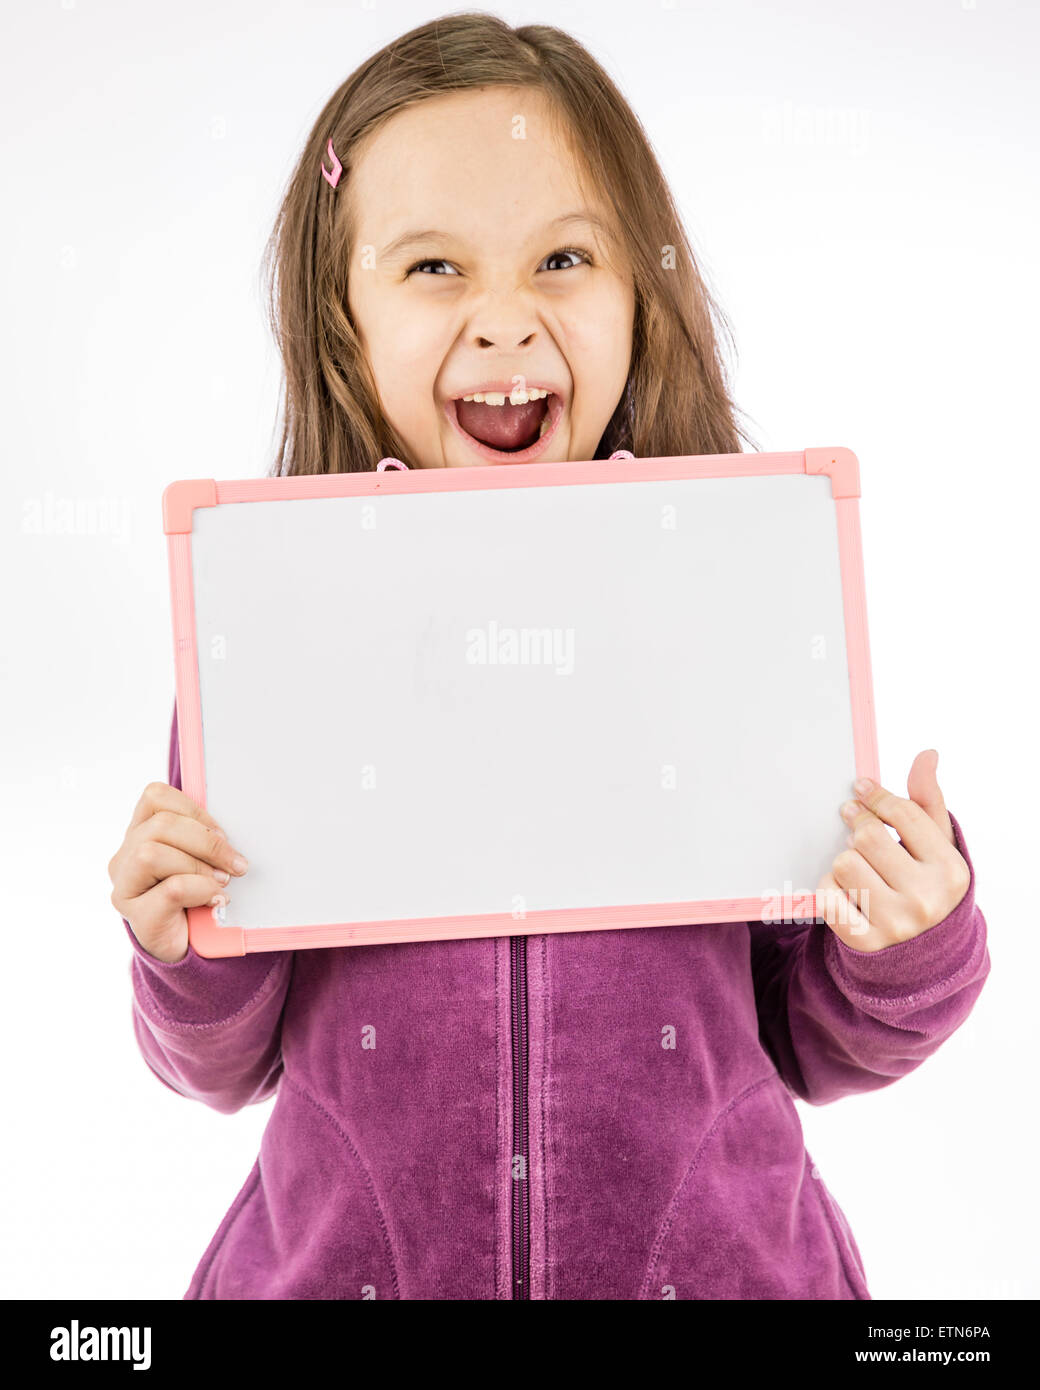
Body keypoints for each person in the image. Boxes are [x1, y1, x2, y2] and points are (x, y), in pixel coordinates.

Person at [107, 13, 989, 1300]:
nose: (505, 321)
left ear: (641, 293)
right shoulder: (277, 626)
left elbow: (810, 1039)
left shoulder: (734, 595)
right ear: (341, 320)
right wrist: (180, 948)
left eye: (562, 259)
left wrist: (903, 940)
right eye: (432, 269)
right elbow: (218, 1068)